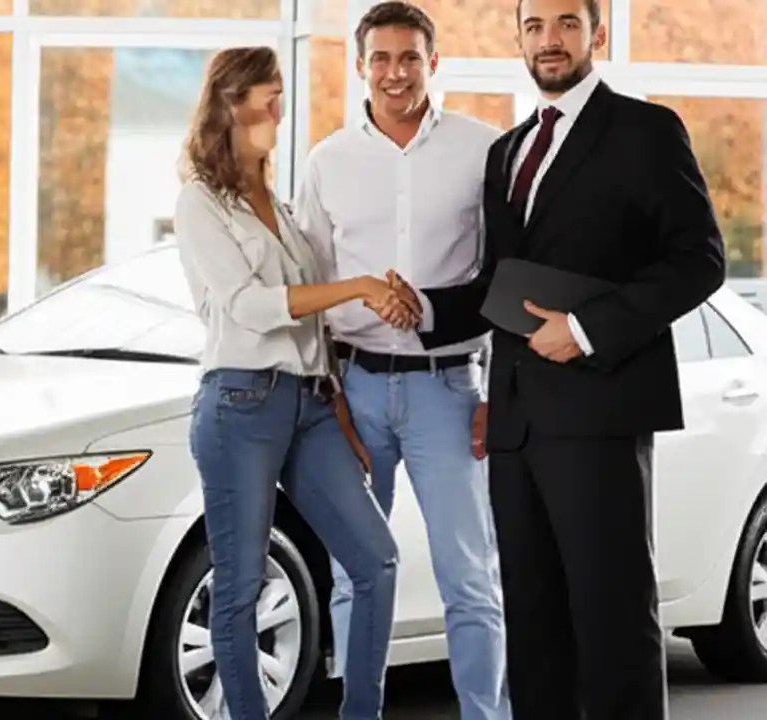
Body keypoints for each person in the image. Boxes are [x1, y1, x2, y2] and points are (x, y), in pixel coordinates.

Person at [402, 0, 726, 717]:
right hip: (517, 421)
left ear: (596, 34)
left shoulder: (645, 132)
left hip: (600, 409)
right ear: (518, 38)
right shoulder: (508, 151)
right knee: (534, 624)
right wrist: (423, 309)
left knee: (613, 616)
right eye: (535, 27)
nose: (550, 41)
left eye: (566, 25)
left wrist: (586, 329)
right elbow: (499, 284)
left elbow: (700, 262)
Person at [174, 46, 409, 720]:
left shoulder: (276, 201)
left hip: (309, 405)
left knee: (375, 561)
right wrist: (359, 286)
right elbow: (251, 307)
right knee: (241, 588)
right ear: (231, 101)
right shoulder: (201, 203)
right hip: (240, 405)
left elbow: (315, 324)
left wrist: (339, 410)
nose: (280, 106)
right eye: (268, 93)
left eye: (279, 93)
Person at [294, 4, 510, 719]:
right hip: (353, 388)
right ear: (360, 66)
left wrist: (495, 392)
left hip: (447, 389)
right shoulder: (327, 162)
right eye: (380, 58)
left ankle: (488, 713)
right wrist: (325, 398)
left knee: (470, 576)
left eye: (409, 58)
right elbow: (311, 287)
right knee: (357, 574)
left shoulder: (484, 150)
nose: (395, 73)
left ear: (433, 63)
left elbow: (507, 280)